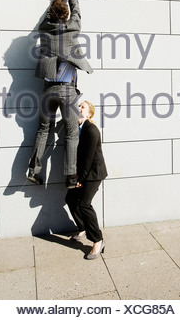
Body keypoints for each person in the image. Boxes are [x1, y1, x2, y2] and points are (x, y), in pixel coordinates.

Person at [27, 0, 93, 189]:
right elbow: (77, 15)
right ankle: (71, 178)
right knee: (72, 132)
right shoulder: (71, 29)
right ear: (65, 17)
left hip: (47, 90)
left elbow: (47, 19)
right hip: (66, 91)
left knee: (42, 130)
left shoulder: (45, 30)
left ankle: (33, 171)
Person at [65, 101, 108, 260]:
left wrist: (80, 179)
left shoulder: (91, 130)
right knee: (70, 198)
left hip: (93, 173)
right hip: (84, 172)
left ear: (89, 114)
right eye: (78, 106)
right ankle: (82, 227)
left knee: (84, 204)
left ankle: (98, 240)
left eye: (82, 107)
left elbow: (88, 159)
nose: (79, 108)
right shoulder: (79, 129)